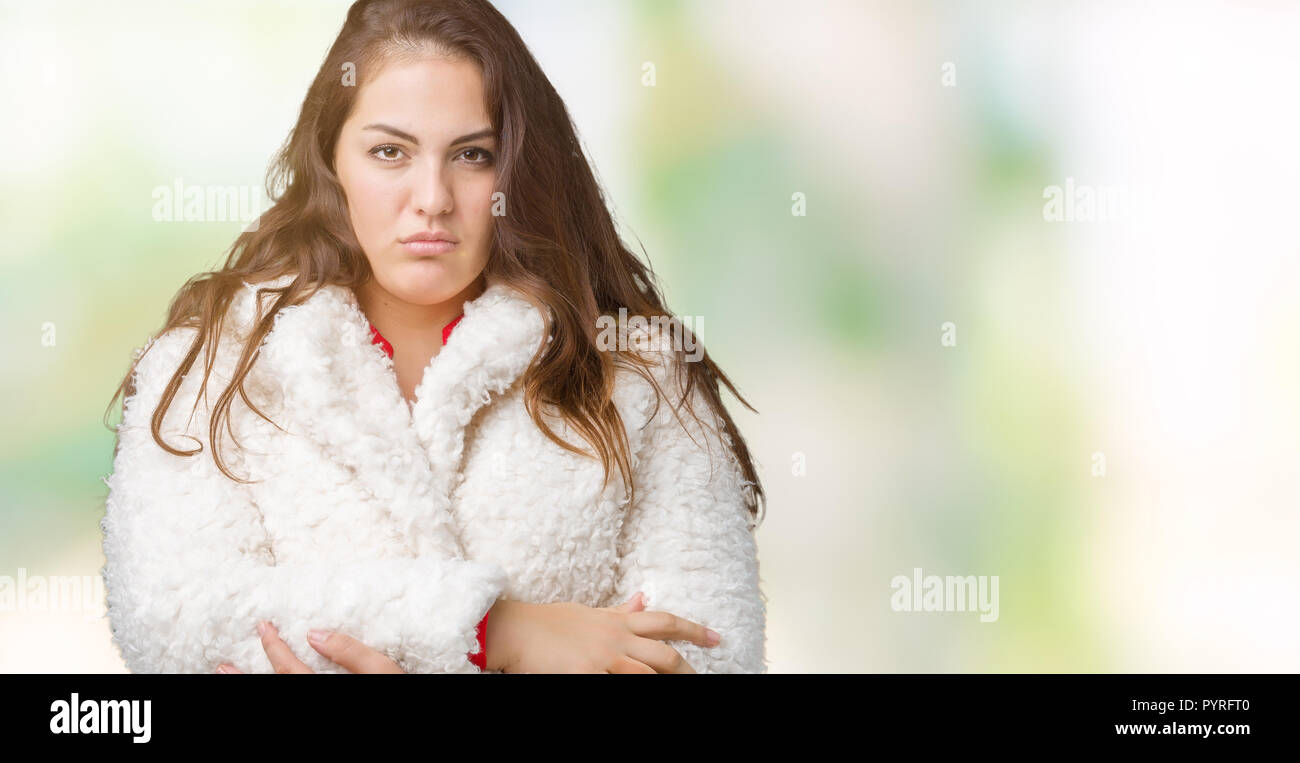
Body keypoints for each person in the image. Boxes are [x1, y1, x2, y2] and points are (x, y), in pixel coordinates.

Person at [101, 0, 767, 674]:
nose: (432, 198)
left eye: (472, 155)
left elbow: (707, 652)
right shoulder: (213, 365)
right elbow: (175, 618)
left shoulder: (638, 374)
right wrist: (490, 630)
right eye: (390, 151)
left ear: (518, 169)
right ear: (333, 160)